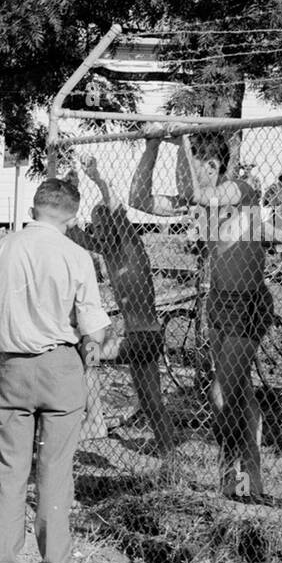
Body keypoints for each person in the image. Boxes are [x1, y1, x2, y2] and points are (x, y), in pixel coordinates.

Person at [0, 178, 109, 563]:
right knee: (54, 473)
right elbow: (93, 324)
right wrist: (94, 343)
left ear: (35, 207)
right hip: (59, 366)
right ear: (71, 213)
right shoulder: (75, 254)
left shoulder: (1, 249)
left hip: (12, 367)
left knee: (11, 472)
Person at [130, 125, 270, 500]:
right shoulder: (199, 200)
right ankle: (239, 480)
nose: (181, 174)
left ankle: (244, 478)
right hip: (220, 303)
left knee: (224, 394)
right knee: (240, 394)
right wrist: (153, 146)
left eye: (188, 162)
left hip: (248, 303)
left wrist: (184, 140)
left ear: (210, 164)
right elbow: (139, 199)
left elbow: (197, 192)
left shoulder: (240, 189)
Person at [74, 156, 179, 455]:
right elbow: (73, 232)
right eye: (94, 227)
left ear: (113, 224)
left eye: (101, 225)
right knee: (150, 401)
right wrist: (72, 188)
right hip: (139, 336)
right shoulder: (107, 250)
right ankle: (168, 452)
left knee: (88, 352)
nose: (96, 232)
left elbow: (115, 202)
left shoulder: (130, 245)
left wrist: (97, 177)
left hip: (145, 335)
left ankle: (95, 419)